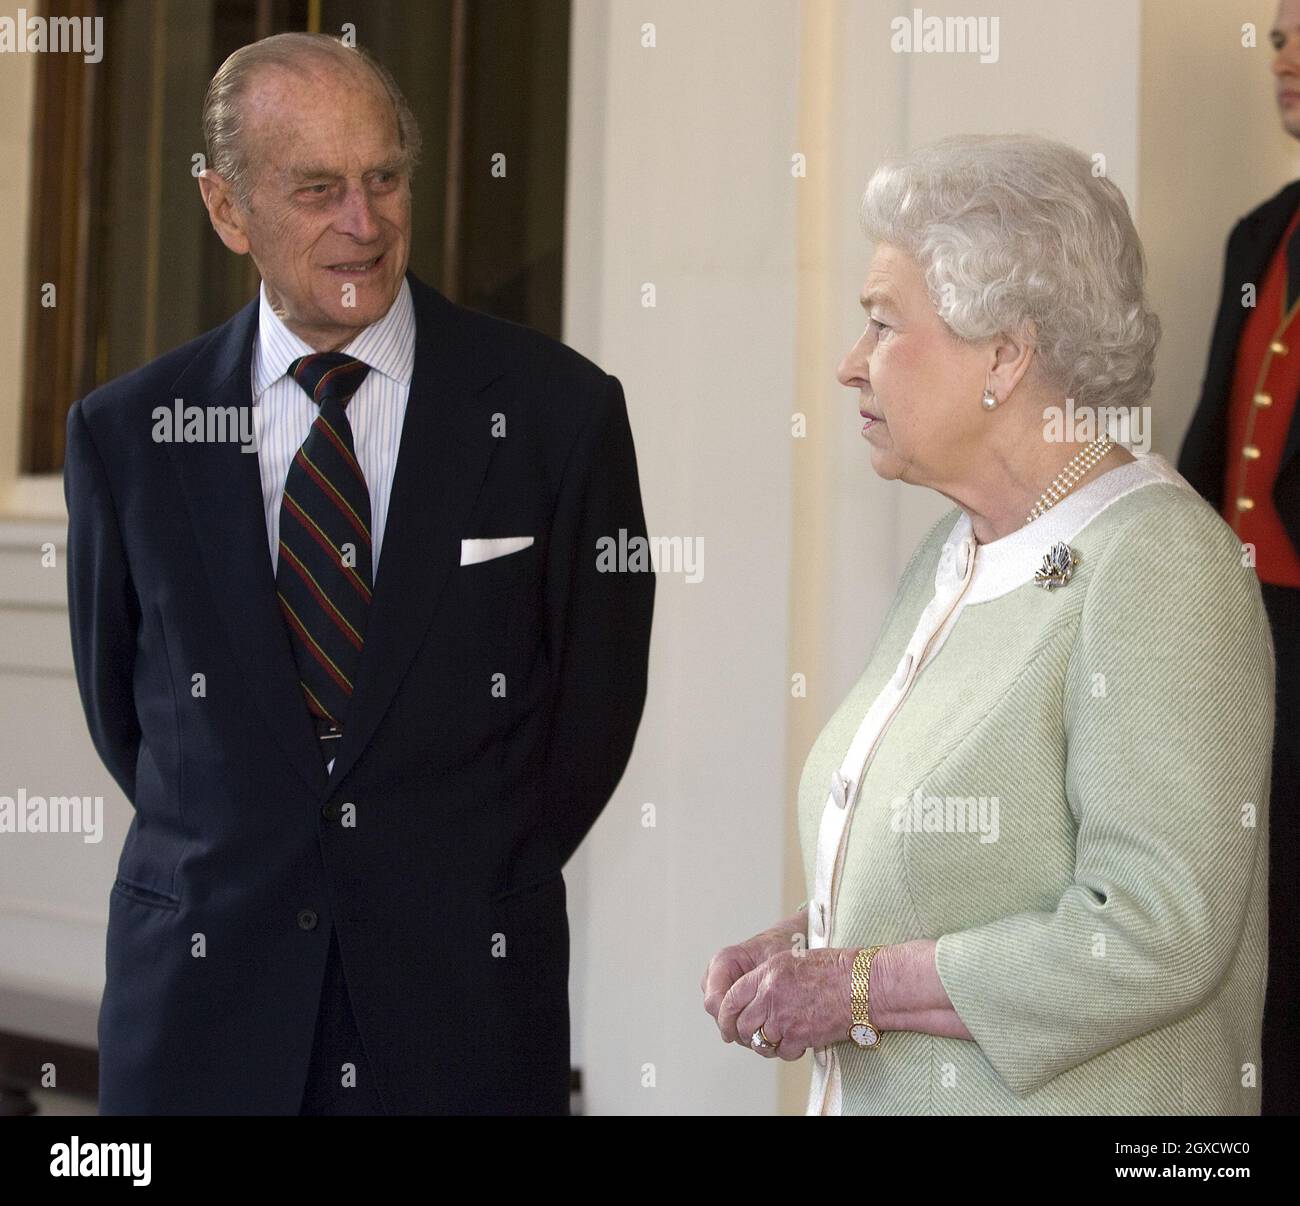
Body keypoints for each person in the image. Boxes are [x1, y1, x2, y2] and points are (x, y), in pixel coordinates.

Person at [64, 32, 654, 1115]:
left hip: (461, 1009)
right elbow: (130, 718)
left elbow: (594, 712)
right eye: (317, 189)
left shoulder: (557, 415)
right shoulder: (128, 435)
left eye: (384, 179)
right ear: (225, 208)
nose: (363, 224)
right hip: (200, 1011)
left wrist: (447, 864)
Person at [702, 133, 1274, 1115]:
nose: (850, 365)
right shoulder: (952, 550)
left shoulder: (1158, 565)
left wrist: (856, 988)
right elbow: (977, 874)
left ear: (1005, 352)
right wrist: (812, 944)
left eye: (882, 325)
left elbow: (1151, 932)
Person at [1178, 0, 1300, 1116]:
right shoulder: (1257, 232)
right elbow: (1217, 432)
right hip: (1248, 629)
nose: (1288, 59)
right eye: (1273, 38)